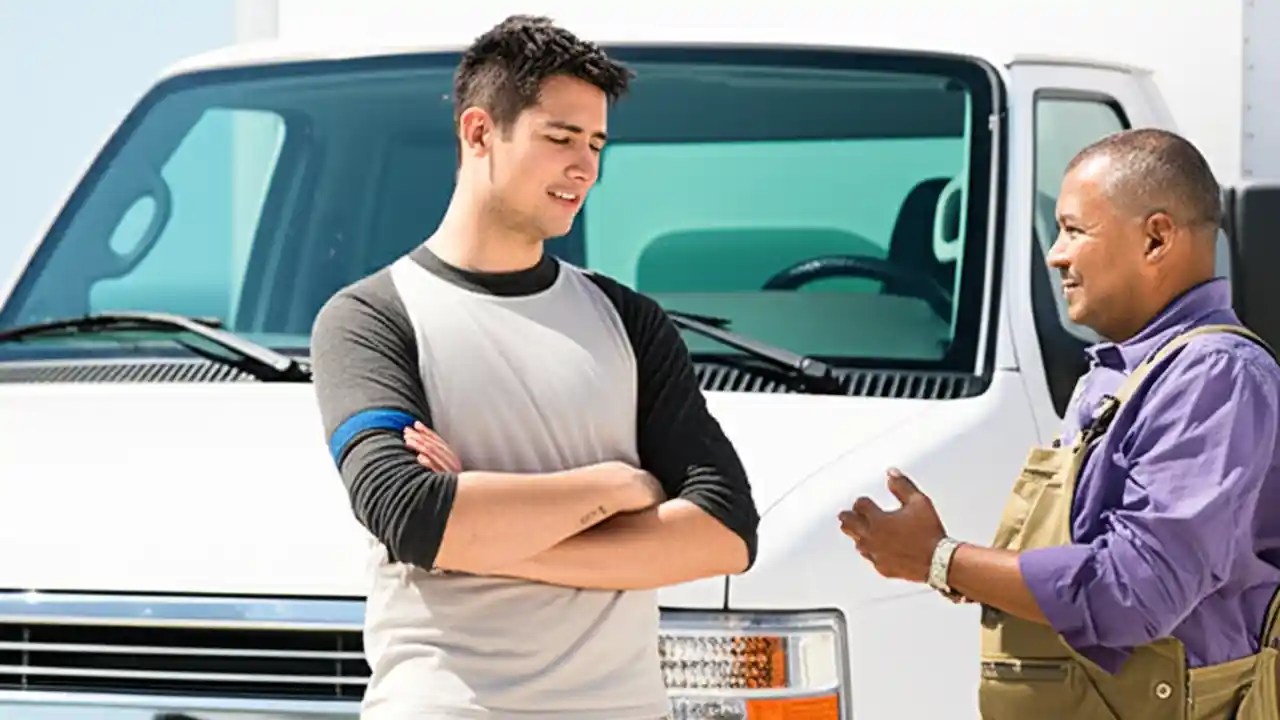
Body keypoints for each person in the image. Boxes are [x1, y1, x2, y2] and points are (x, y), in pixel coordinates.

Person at [308, 14, 759, 720]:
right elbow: (409, 513)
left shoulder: (629, 321)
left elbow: (727, 533)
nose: (586, 166)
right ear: (480, 132)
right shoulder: (370, 317)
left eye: (596, 143)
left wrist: (479, 535)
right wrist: (621, 485)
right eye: (560, 138)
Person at [839, 128, 1280, 718]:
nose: (1056, 254)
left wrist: (942, 559)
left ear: (1156, 238)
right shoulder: (1124, 371)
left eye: (1075, 229)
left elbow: (1136, 591)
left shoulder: (1214, 377)